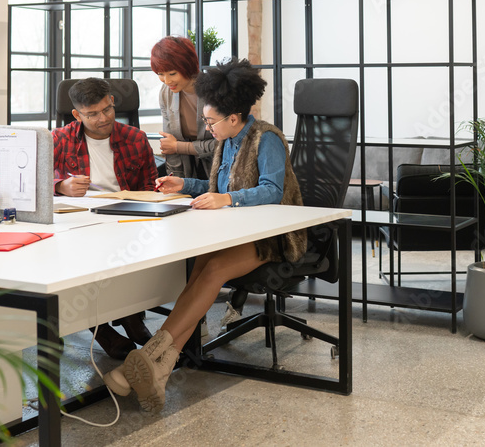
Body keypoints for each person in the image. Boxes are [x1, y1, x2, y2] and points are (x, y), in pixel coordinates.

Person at [103, 58, 305, 413]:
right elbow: (219, 186)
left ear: (234, 117)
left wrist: (228, 199)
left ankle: (149, 356)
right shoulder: (227, 140)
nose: (206, 127)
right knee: (199, 267)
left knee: (211, 271)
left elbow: (272, 190)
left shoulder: (267, 138)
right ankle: (161, 369)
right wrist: (185, 185)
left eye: (211, 121)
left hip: (272, 236)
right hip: (235, 231)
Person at [52, 77, 158, 359]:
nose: (103, 119)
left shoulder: (135, 138)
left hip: (124, 221)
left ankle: (131, 317)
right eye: (92, 114)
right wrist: (60, 186)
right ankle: (102, 331)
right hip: (76, 224)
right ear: (77, 114)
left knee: (130, 254)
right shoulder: (59, 140)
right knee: (76, 267)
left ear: (112, 102)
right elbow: (26, 182)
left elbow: (150, 187)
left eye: (106, 110)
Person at [151, 35, 216, 179]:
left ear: (188, 66)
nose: (167, 81)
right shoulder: (165, 92)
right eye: (160, 74)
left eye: (172, 73)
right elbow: (170, 144)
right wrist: (176, 181)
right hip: (188, 169)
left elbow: (225, 144)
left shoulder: (215, 90)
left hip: (221, 169)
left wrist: (179, 147)